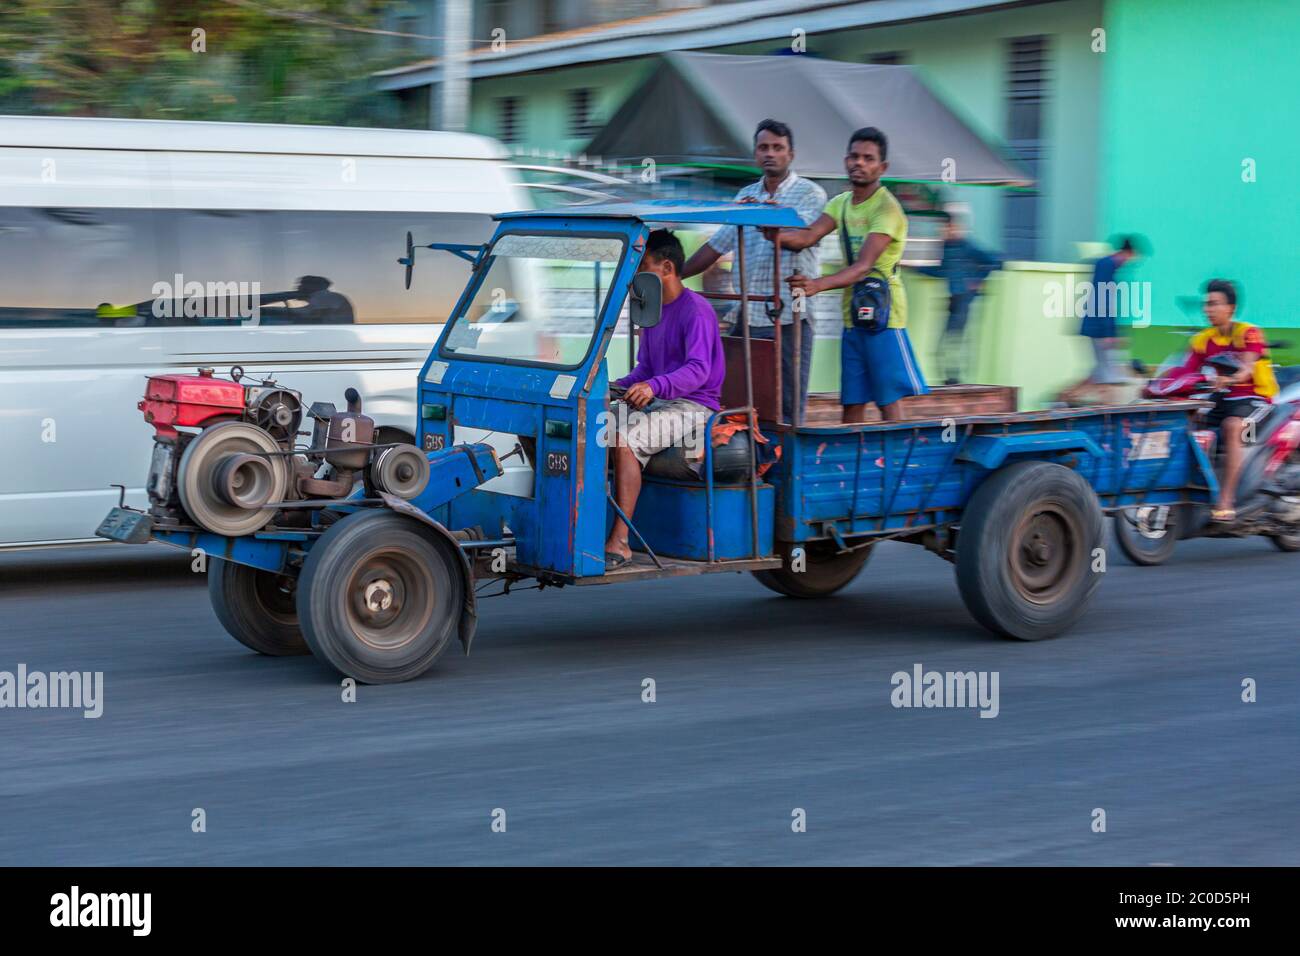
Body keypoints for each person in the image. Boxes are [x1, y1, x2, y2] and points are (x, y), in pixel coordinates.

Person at [765, 126, 926, 423]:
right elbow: (806, 237)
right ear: (845, 160)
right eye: (854, 156)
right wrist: (765, 222)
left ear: (882, 167)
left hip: (884, 317)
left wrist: (815, 285)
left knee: (887, 398)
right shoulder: (839, 203)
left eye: (868, 158)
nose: (859, 163)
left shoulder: (887, 209)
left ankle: (898, 463)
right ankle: (849, 465)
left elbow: (863, 266)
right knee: (852, 398)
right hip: (853, 316)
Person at [681, 119, 826, 423]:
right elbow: (716, 247)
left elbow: (798, 240)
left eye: (777, 147)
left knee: (785, 403)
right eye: (763, 147)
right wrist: (670, 275)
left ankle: (786, 466)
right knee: (738, 397)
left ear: (791, 154)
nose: (770, 153)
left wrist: (758, 216)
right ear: (755, 153)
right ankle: (746, 461)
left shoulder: (810, 195)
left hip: (788, 317)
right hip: (747, 315)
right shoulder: (745, 195)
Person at [605, 230, 725, 568]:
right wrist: (616, 386)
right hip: (659, 400)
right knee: (583, 427)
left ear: (666, 267)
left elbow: (699, 370)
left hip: (694, 405)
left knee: (624, 440)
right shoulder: (651, 308)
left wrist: (654, 387)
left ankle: (621, 541)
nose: (635, 273)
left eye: (642, 265)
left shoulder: (696, 311)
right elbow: (645, 367)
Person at [1164, 278, 1277, 521]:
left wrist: (1231, 379)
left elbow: (1247, 368)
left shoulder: (1248, 333)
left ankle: (1226, 500)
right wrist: (1157, 385)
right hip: (1220, 398)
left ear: (1231, 309)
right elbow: (1184, 371)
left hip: (1254, 399)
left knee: (1232, 427)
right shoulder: (1203, 339)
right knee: (1187, 422)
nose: (1208, 309)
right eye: (1206, 304)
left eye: (1214, 304)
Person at [915, 209, 1001, 384]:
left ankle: (957, 378)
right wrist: (914, 268)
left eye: (949, 228)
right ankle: (949, 378)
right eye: (943, 228)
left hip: (964, 300)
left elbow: (995, 261)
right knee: (944, 342)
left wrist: (976, 281)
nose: (946, 231)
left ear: (958, 228)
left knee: (955, 341)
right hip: (952, 299)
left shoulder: (967, 246)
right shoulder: (946, 247)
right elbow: (942, 271)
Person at [1080, 237, 1142, 385]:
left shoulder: (1106, 264)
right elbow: (1103, 300)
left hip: (1097, 325)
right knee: (1108, 376)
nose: (1129, 263)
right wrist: (1109, 333)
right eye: (1132, 258)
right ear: (1128, 253)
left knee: (1102, 371)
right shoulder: (1108, 266)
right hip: (1098, 327)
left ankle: (1074, 395)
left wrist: (1114, 332)